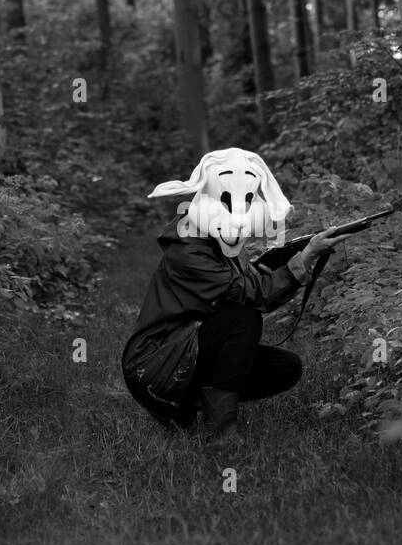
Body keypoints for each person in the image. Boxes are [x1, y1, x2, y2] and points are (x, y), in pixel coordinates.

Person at [122, 148, 346, 445]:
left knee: (285, 367)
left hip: (185, 351)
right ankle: (220, 433)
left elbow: (252, 282)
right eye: (227, 200)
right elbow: (253, 295)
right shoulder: (188, 249)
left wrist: (292, 255)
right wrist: (305, 256)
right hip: (153, 366)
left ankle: (189, 407)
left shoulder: (219, 240)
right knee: (242, 318)